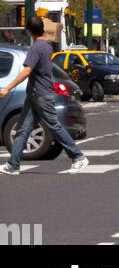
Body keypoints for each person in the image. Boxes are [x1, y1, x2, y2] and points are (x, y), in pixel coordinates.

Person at [0, 15, 89, 175]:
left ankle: (78, 156)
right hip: (36, 94)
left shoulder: (36, 48)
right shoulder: (47, 45)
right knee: (23, 129)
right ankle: (13, 164)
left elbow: (27, 70)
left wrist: (7, 88)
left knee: (53, 125)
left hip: (40, 94)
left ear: (29, 31)